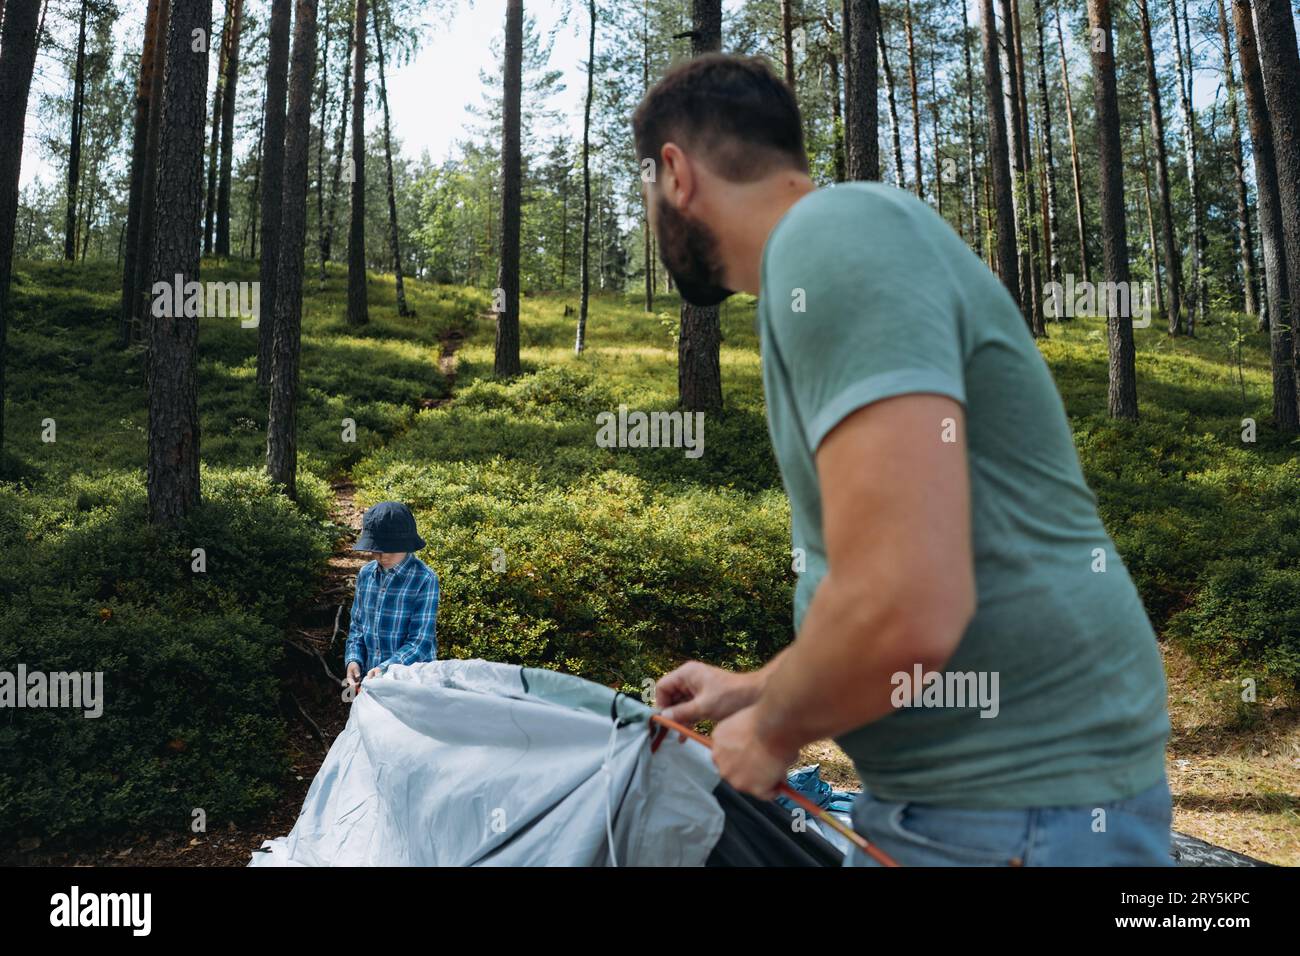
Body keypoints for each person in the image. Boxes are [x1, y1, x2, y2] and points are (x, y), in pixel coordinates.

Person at [637, 54, 1172, 866]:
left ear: (674, 172)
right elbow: (880, 581)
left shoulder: (828, 237)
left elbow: (906, 603)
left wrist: (776, 727)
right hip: (983, 813)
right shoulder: (824, 255)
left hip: (1016, 817)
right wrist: (751, 688)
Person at [344, 501, 439, 691]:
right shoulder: (365, 575)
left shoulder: (425, 579)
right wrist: (353, 660)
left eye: (391, 549)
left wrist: (384, 669)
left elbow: (420, 641)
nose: (383, 556)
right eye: (377, 550)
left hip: (413, 682)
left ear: (407, 545)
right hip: (372, 680)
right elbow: (357, 627)